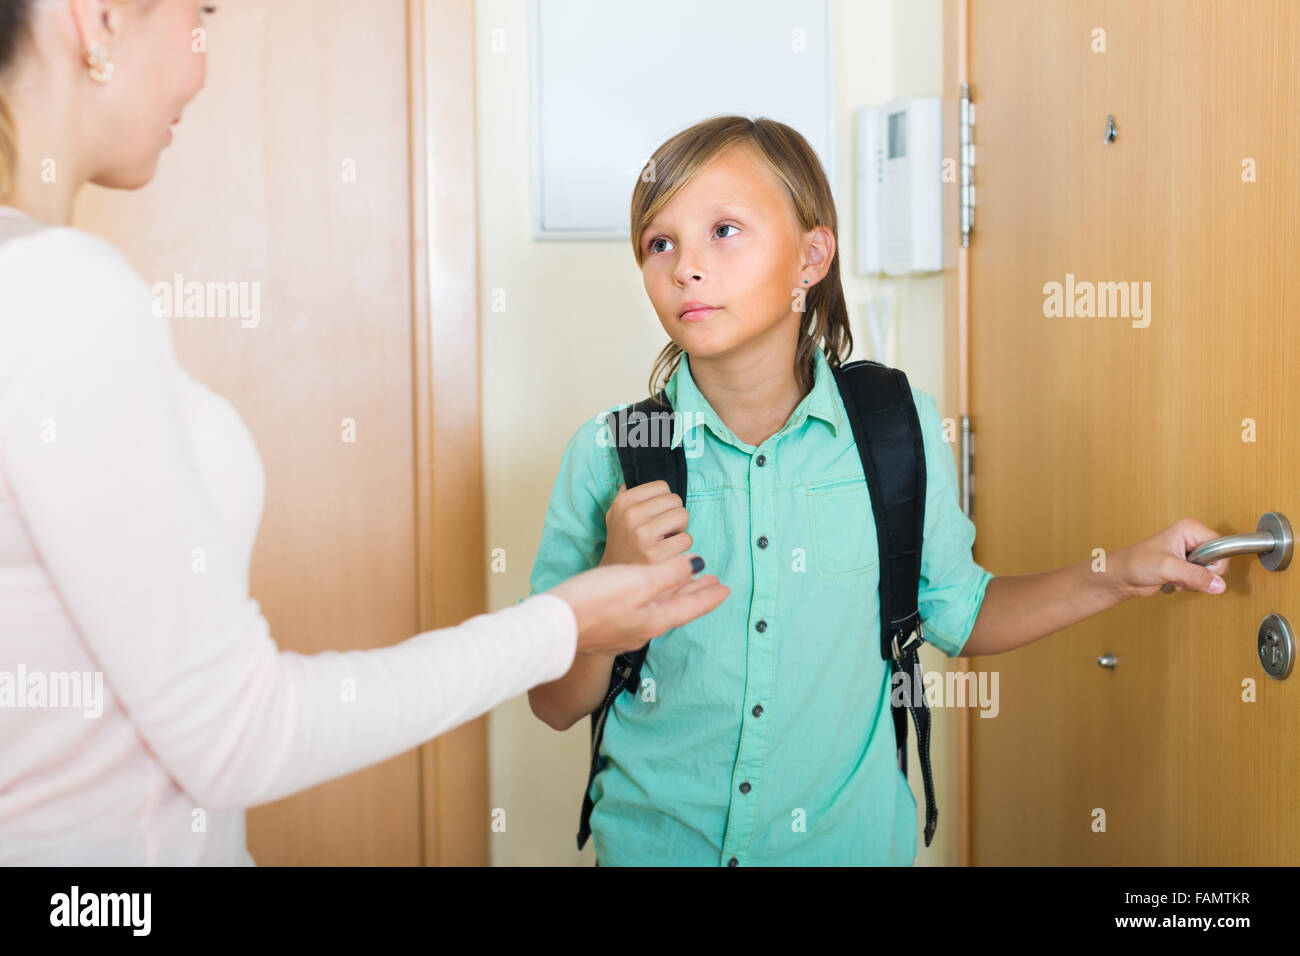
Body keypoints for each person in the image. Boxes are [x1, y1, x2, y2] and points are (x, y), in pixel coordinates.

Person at [0, 0, 730, 865]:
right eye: (199, 14)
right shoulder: (53, 289)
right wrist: (562, 623)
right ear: (101, 17)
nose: (201, 64)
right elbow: (240, 733)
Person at [525, 114, 1231, 866]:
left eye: (724, 230)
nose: (684, 267)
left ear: (811, 256)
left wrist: (1118, 573)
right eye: (659, 242)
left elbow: (961, 613)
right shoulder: (609, 456)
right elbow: (554, 704)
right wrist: (610, 592)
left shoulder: (895, 431)